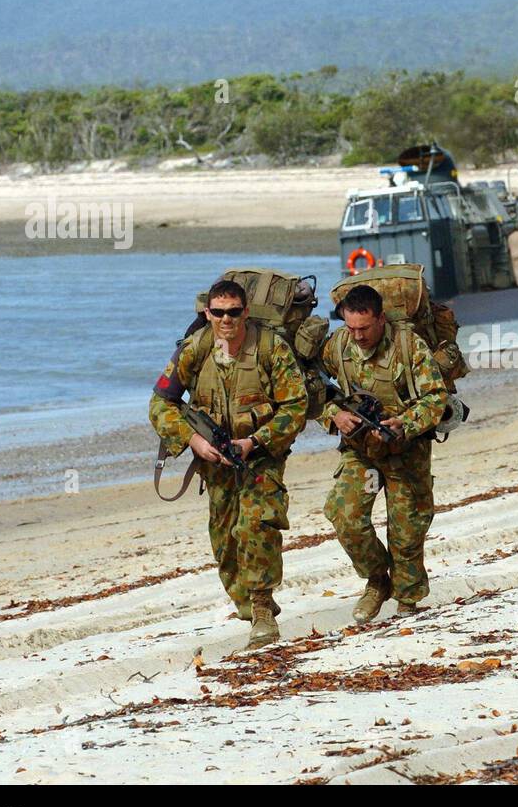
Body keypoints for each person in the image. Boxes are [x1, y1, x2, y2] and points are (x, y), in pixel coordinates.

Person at [149, 279, 308, 650]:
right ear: (208, 313)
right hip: (215, 462)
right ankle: (249, 604)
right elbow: (160, 403)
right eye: (218, 312)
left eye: (234, 312)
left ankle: (263, 609)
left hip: (261, 457)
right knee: (225, 545)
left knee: (256, 525)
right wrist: (195, 441)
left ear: (245, 312)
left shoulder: (270, 348)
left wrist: (255, 441)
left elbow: (295, 405)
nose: (226, 319)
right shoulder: (196, 348)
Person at [317, 284, 450, 623]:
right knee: (344, 516)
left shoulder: (409, 347)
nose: (358, 336)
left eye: (364, 328)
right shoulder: (338, 346)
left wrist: (404, 422)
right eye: (351, 327)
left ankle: (408, 602)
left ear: (381, 319)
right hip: (362, 453)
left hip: (406, 451)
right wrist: (334, 415)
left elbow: (436, 399)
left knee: (407, 531)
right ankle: (378, 581)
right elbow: (311, 389)